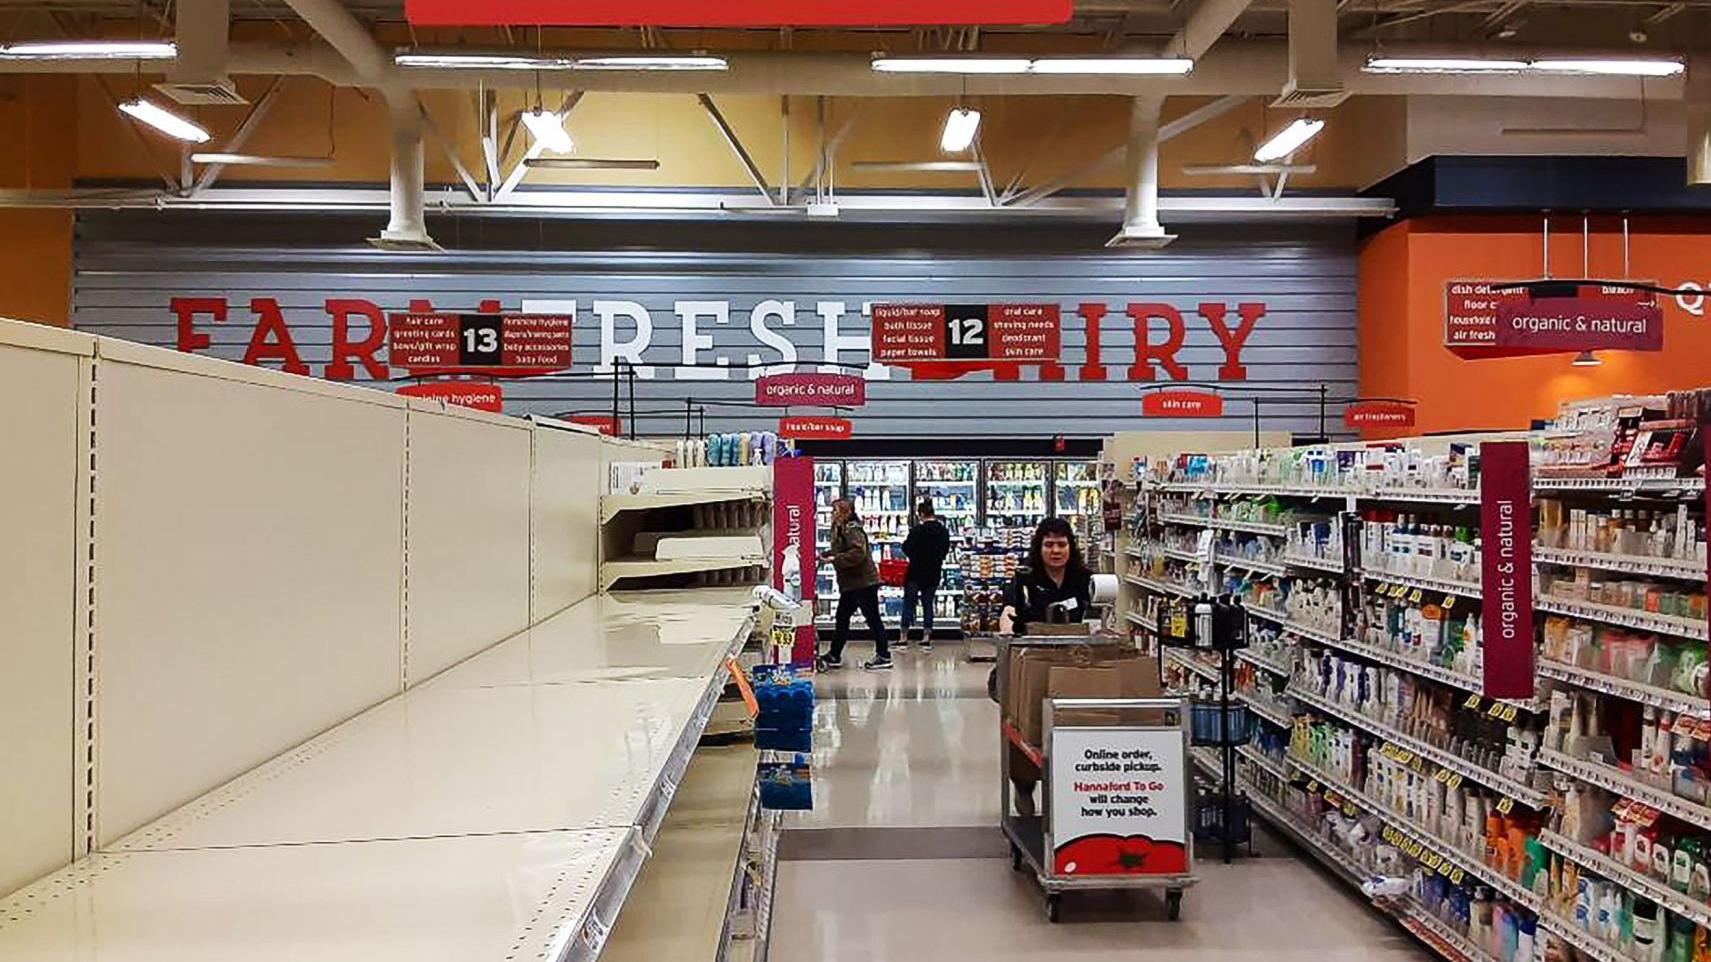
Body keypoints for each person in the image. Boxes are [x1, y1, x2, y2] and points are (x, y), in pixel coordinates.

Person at [996, 517, 1094, 816]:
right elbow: (1010, 613)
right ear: (1038, 547)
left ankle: (1073, 787)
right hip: (1033, 659)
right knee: (1026, 728)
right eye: (1048, 544)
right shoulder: (1025, 579)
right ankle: (1025, 787)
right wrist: (1008, 645)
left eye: (1061, 544)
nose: (1055, 550)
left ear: (1070, 547)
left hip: (1073, 662)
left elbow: (1096, 615)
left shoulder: (1082, 578)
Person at [819, 498, 892, 671]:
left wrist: (835, 559)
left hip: (863, 582)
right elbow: (843, 549)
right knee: (842, 617)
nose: (832, 514)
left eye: (835, 511)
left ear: (846, 513)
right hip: (852, 583)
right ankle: (835, 654)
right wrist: (828, 554)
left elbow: (859, 553)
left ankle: (884, 655)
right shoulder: (840, 528)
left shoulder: (852, 529)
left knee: (872, 618)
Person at [899, 499, 951, 652]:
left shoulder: (916, 531)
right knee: (928, 604)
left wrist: (916, 556)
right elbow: (945, 550)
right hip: (933, 572)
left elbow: (906, 548)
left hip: (915, 571)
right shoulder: (943, 531)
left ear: (921, 514)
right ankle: (926, 637)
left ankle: (903, 637)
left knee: (909, 603)